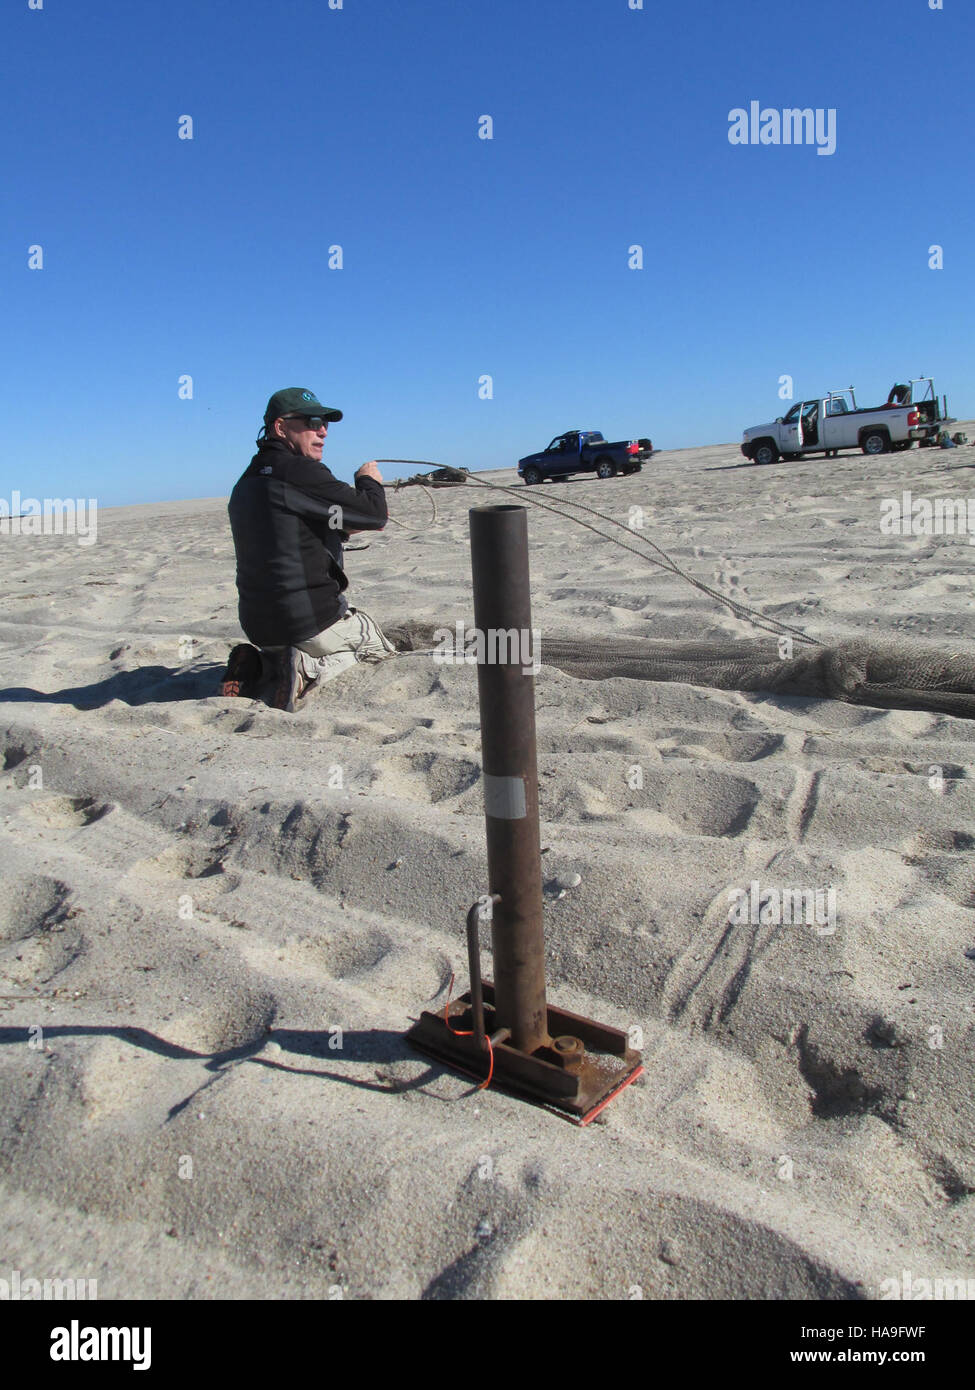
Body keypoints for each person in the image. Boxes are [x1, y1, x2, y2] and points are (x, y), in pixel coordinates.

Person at [221, 387, 394, 711]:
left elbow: (298, 527)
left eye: (325, 422)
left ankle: (263, 667)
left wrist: (342, 526)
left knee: (288, 643)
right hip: (310, 621)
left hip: (260, 626)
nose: (323, 429)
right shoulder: (298, 471)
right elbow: (374, 515)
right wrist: (368, 480)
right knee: (377, 649)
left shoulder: (245, 484)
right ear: (280, 428)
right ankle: (305, 667)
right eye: (311, 421)